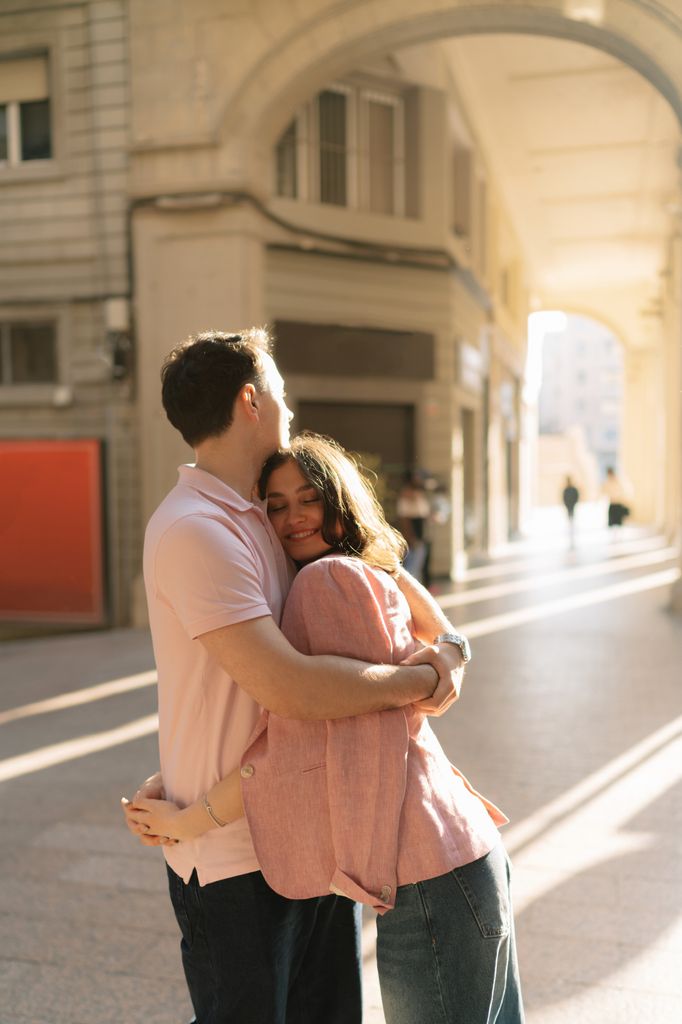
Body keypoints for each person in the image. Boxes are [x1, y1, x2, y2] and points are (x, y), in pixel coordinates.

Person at [123, 328, 464, 1024]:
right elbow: (291, 689)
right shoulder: (197, 529)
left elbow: (393, 580)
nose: (288, 405)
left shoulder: (270, 515)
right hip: (233, 860)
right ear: (251, 398)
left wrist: (453, 648)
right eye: (280, 391)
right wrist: (416, 685)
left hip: (314, 827)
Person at [396, 471, 431, 584]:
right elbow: (404, 518)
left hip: (421, 533)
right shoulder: (405, 497)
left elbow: (424, 513)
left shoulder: (419, 495)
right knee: (412, 565)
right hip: (413, 535)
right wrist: (410, 537)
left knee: (419, 562)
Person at [561, 475, 579, 548]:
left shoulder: (573, 489)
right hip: (568, 505)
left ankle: (572, 526)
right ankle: (570, 526)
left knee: (572, 516)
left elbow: (576, 496)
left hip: (572, 504)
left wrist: (574, 502)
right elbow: (564, 497)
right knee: (569, 516)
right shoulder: (566, 489)